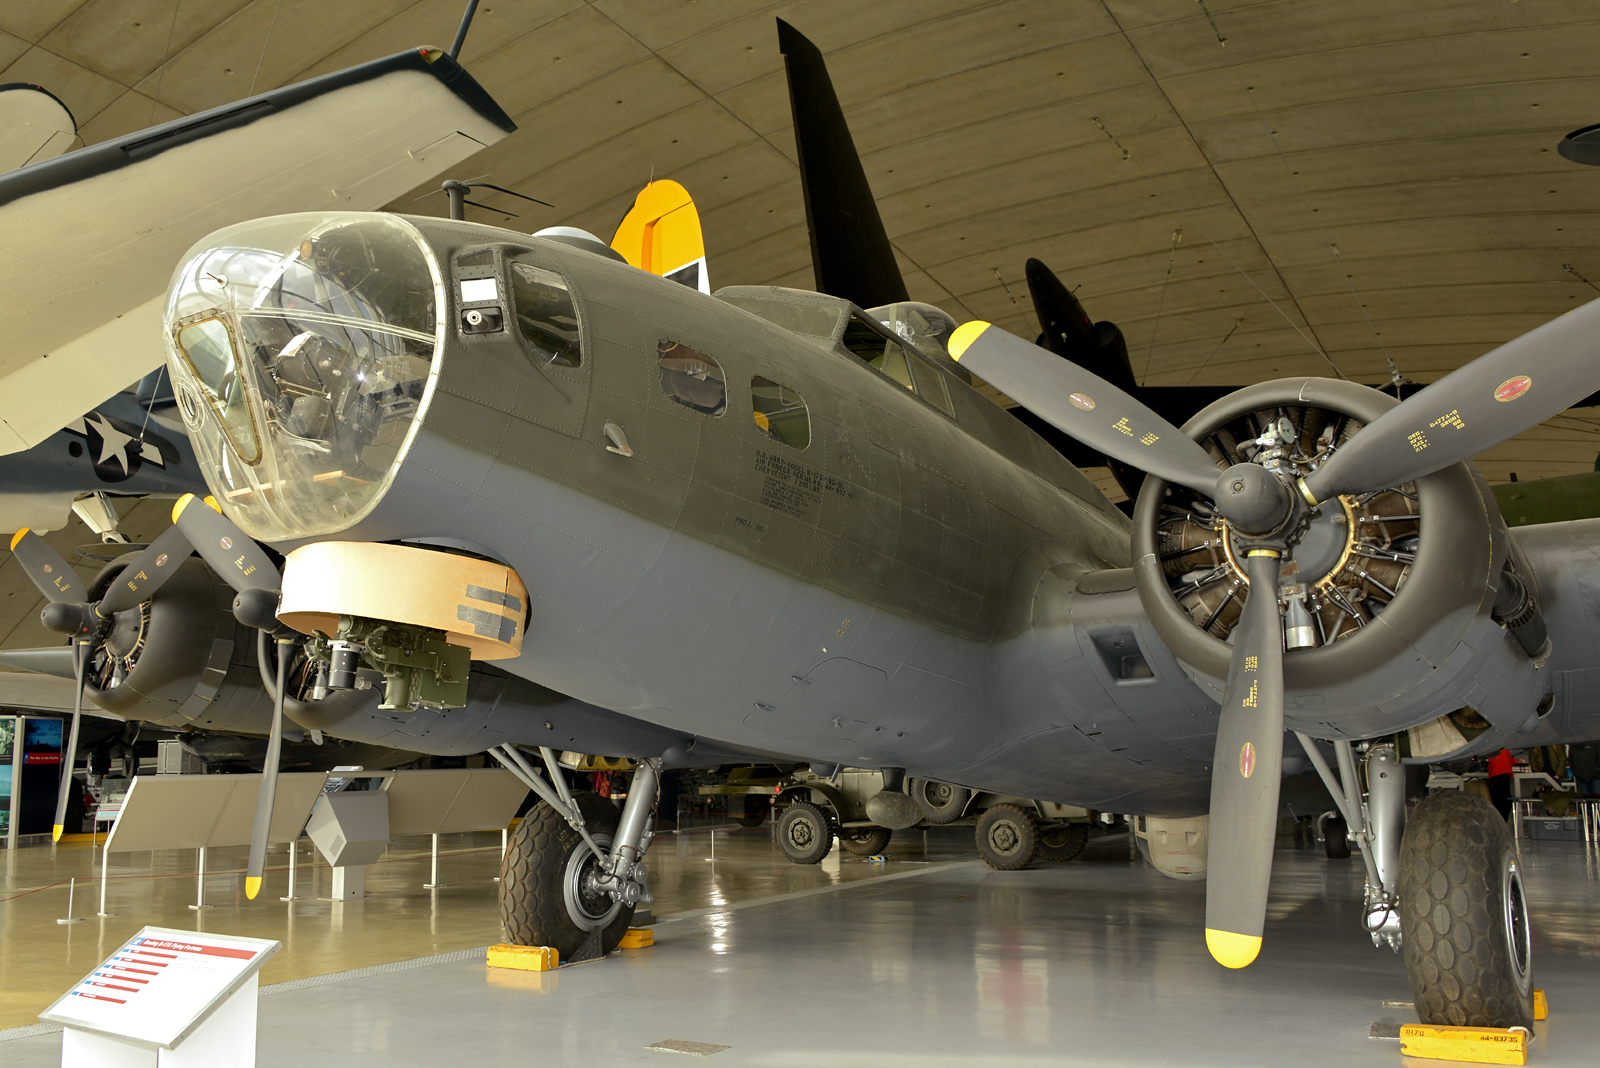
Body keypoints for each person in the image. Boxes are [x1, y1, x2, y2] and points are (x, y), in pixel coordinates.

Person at [1487, 747, 1515, 820]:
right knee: (1504, 800)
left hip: (1496, 774)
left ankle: (1498, 821)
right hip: (1502, 773)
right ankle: (1499, 821)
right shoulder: (1503, 747)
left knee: (1501, 799)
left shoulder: (1496, 746)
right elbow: (1507, 760)